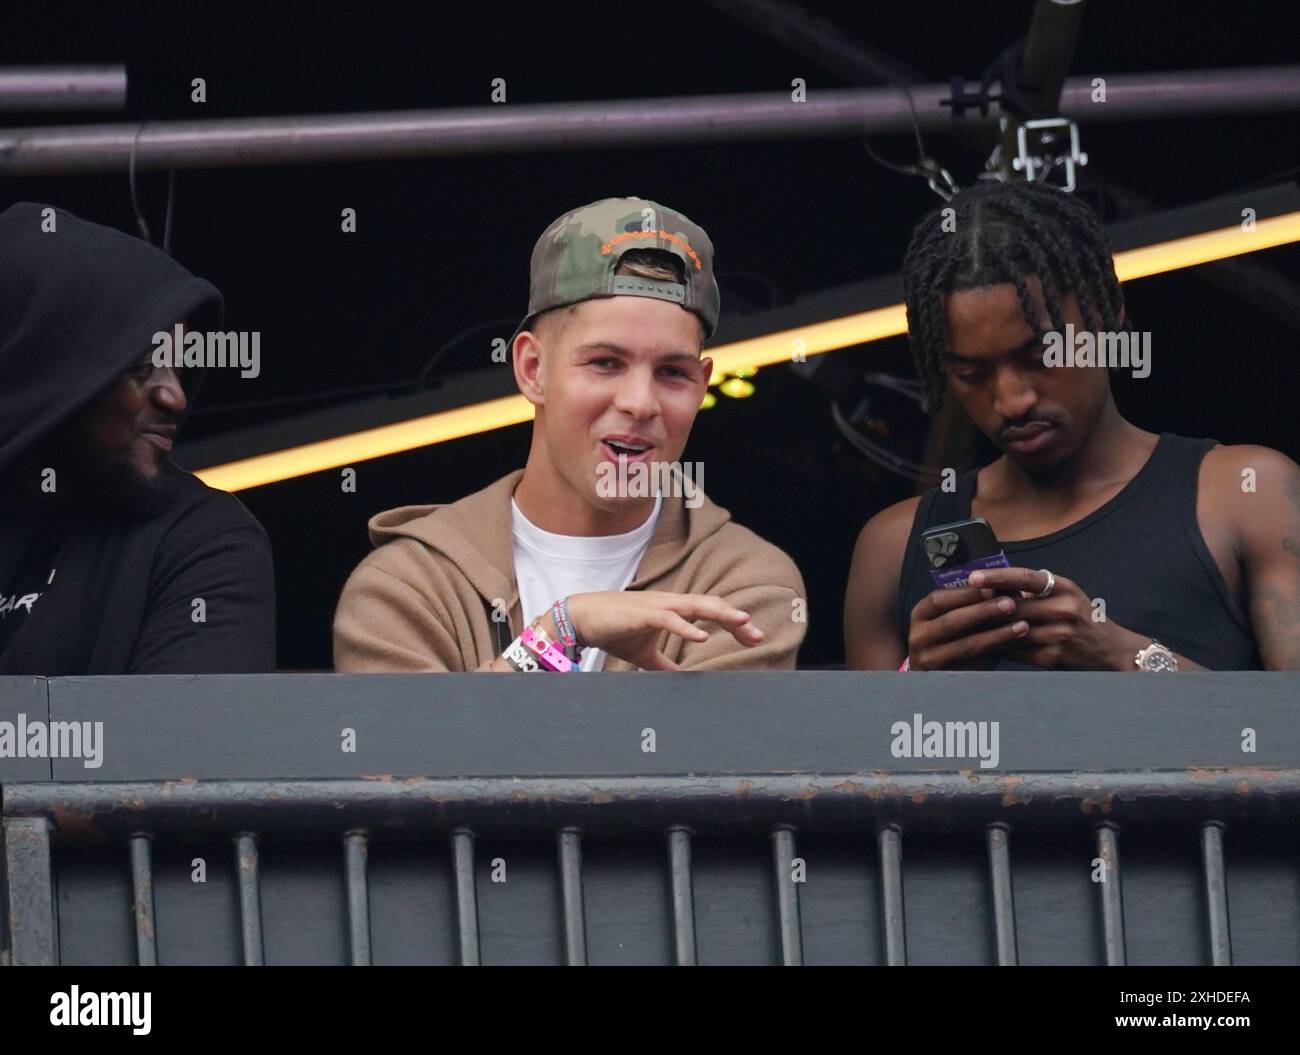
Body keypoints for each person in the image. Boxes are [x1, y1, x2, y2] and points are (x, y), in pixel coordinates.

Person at [844, 180, 1300, 671]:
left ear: (1106, 317)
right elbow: (867, 749)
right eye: (971, 374)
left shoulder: (1246, 494)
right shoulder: (891, 547)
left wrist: (1128, 658)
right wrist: (916, 696)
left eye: (1041, 354)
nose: (1012, 401)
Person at [334, 196, 805, 672]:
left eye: (672, 372)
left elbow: (697, 749)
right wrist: (559, 634)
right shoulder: (408, 584)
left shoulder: (747, 583)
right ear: (532, 369)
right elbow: (409, 750)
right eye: (605, 363)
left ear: (702, 385)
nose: (640, 403)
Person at [0, 202, 276, 674]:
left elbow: (183, 744)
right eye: (144, 364)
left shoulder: (202, 543)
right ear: (47, 373)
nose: (175, 396)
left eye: (179, 362)